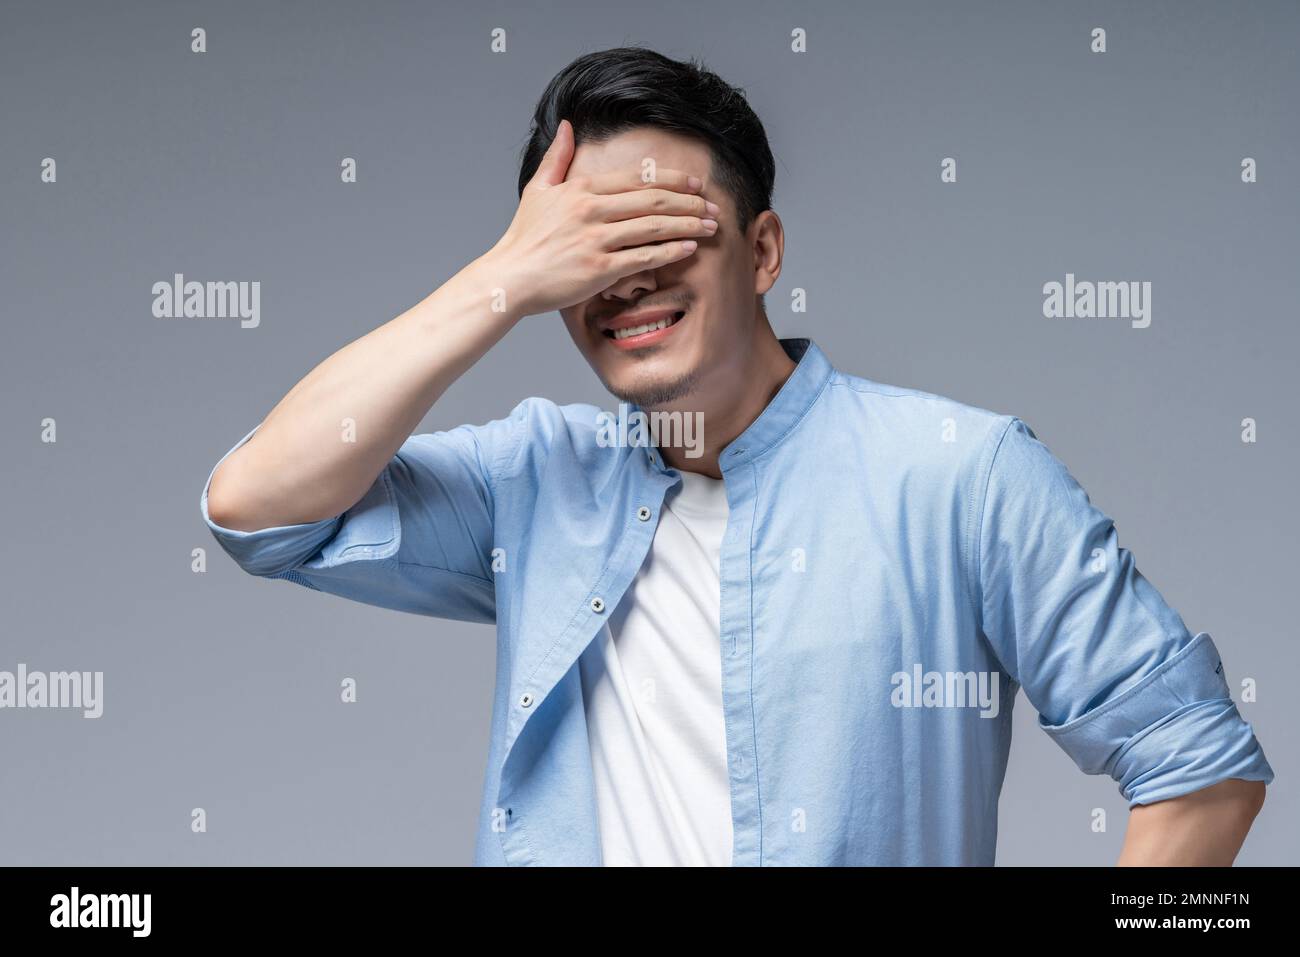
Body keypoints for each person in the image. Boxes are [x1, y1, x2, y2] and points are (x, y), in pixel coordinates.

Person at [201, 47, 1272, 866]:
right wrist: (503, 277)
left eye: (660, 231)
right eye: (587, 249)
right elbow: (257, 508)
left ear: (761, 252)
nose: (621, 278)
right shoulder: (532, 482)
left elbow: (1199, 768)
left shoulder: (959, 474)